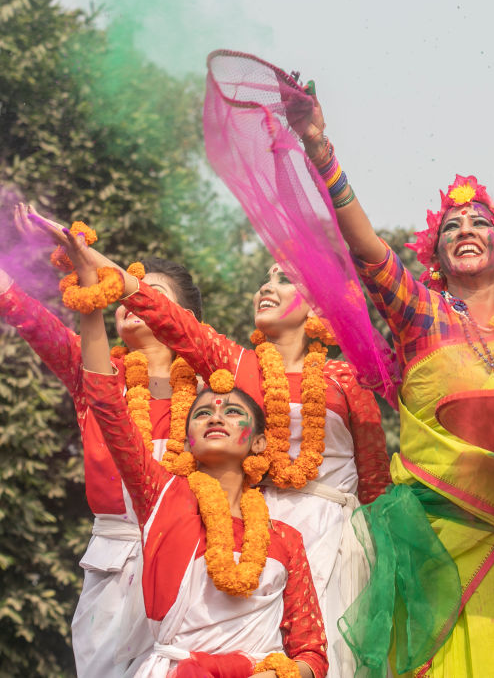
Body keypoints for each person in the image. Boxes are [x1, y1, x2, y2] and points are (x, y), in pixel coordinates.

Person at [293, 93, 494, 677]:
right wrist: (322, 153)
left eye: (479, 222)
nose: (465, 229)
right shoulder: (420, 313)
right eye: (452, 225)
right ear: (436, 254)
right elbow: (366, 248)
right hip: (436, 541)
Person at [59, 227, 330, 677]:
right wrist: (91, 300)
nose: (216, 414)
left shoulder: (285, 538)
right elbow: (106, 402)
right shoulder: (161, 500)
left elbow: (313, 655)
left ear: (260, 442)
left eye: (232, 409)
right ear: (187, 436)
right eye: (202, 412)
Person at [1, 204, 204, 677]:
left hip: (190, 560)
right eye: (127, 297)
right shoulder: (95, 371)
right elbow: (34, 322)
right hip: (113, 563)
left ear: (183, 318)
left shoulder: (217, 389)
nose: (130, 303)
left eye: (149, 295)